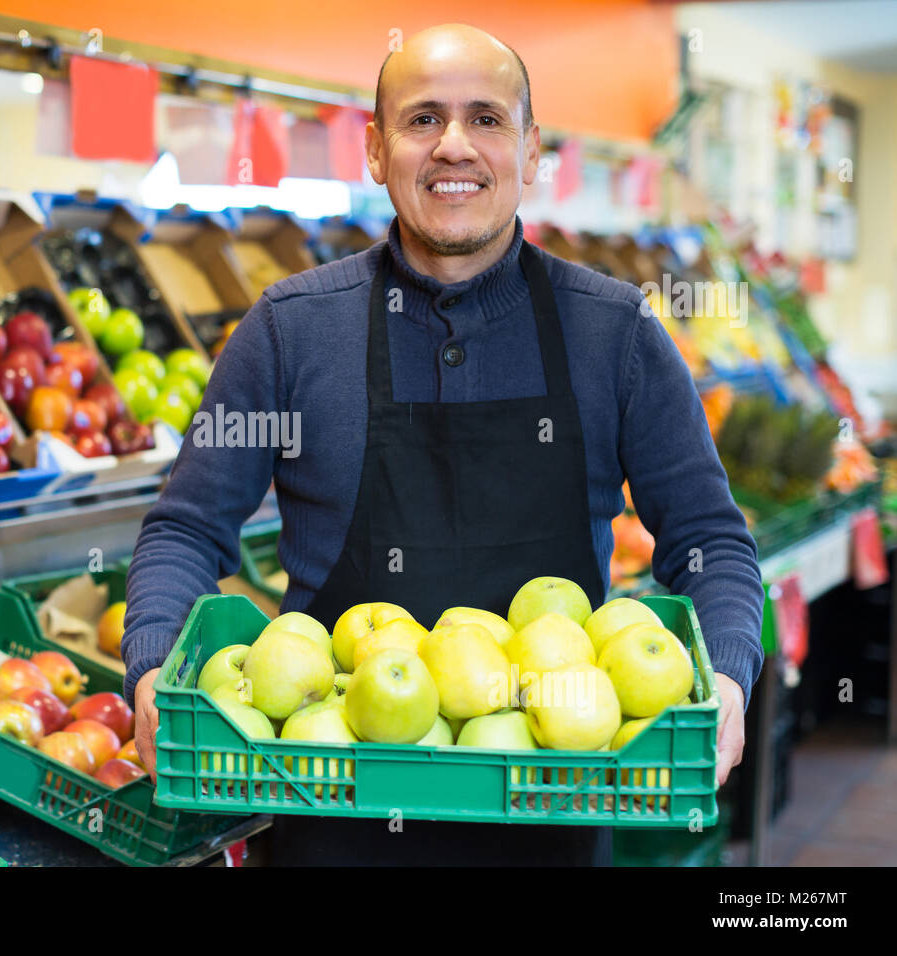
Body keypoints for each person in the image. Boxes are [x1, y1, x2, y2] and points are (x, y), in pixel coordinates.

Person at [120, 23, 763, 865]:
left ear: (531, 151)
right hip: (330, 806)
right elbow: (186, 527)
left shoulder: (616, 334)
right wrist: (154, 662)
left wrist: (722, 675)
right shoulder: (290, 330)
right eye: (423, 119)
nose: (454, 145)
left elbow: (709, 540)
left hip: (555, 805)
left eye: (487, 120)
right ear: (376, 151)